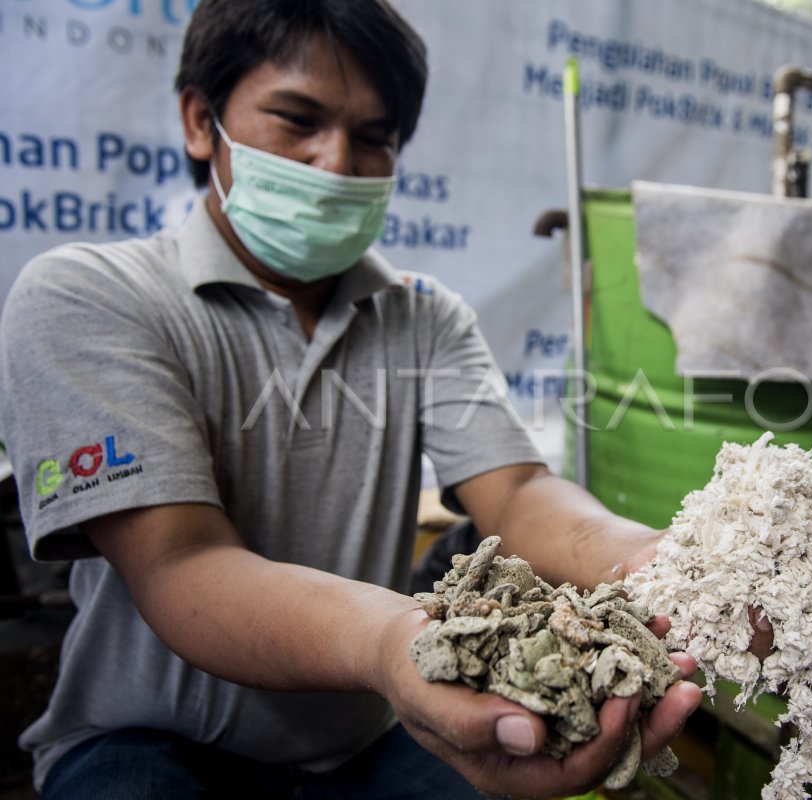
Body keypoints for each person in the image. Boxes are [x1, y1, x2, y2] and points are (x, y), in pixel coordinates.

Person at [0, 1, 704, 797]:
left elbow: (517, 492)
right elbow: (180, 563)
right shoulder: (89, 297)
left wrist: (655, 560)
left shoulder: (422, 315)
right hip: (152, 742)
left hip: (373, 734)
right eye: (297, 119)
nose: (335, 162)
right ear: (202, 121)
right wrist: (393, 643)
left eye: (374, 138)